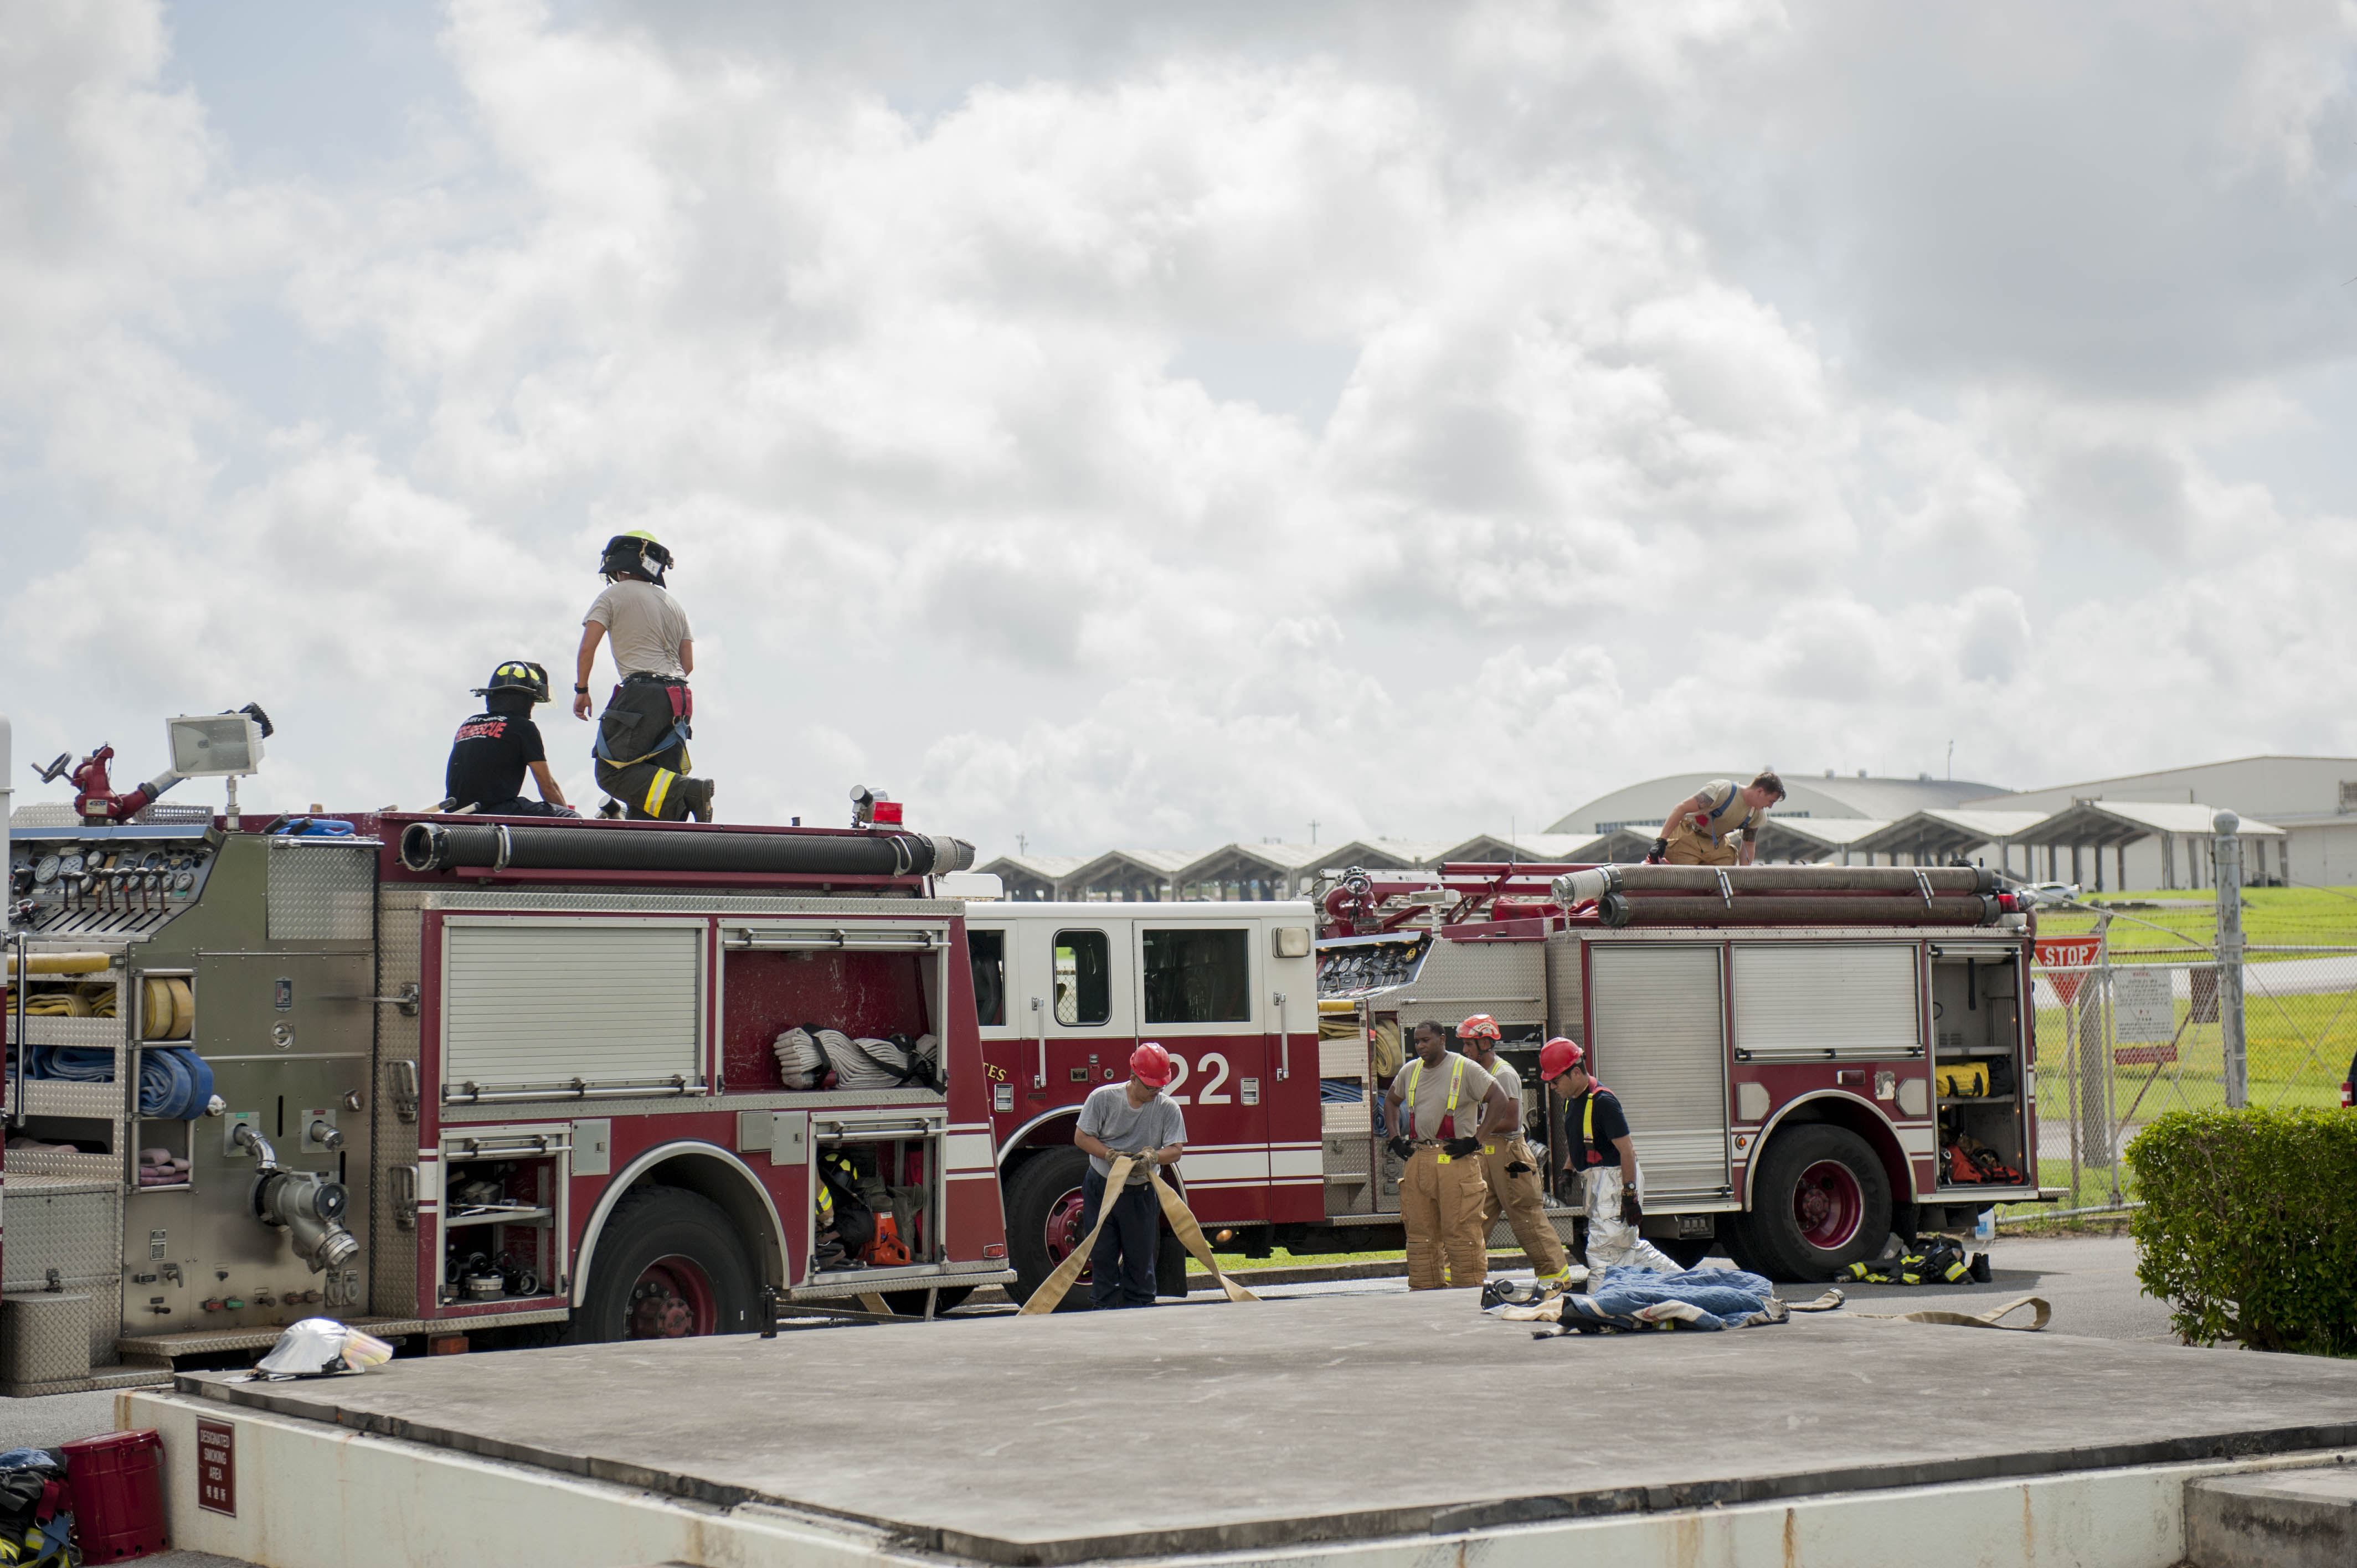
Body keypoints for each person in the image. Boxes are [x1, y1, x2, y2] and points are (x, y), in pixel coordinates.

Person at [572, 531, 715, 822]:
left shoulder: (612, 596)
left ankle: (689, 790)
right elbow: (687, 664)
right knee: (653, 795)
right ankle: (655, 853)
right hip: (680, 697)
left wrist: (582, 688)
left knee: (613, 772)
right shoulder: (674, 604)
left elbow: (588, 647)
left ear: (618, 567)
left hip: (642, 691)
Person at [1383, 1019, 1516, 1291]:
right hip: (1419, 1157)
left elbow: (1499, 1098)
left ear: (1442, 1040)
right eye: (1417, 1041)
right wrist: (1395, 1138)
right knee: (1420, 1235)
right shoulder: (1411, 1070)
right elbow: (1391, 1101)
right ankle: (1426, 1291)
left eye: (1426, 1041)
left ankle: (1467, 1295)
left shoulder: (1464, 1068)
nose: (1420, 1046)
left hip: (1455, 1159)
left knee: (1462, 1232)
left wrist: (1476, 1141)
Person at [1540, 1036, 1679, 1273]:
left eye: (1555, 1080)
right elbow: (1581, 1142)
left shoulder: (1604, 1102)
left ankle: (1600, 1304)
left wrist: (1630, 1195)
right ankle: (1685, 1283)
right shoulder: (1572, 1101)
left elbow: (1627, 1151)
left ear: (1575, 1073)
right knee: (1629, 1249)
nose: (1552, 1087)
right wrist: (1567, 1171)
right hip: (1599, 1183)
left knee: (1603, 1253)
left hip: (1615, 1182)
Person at [1453, 1016, 1572, 1285]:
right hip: (1490, 1154)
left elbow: (1510, 1119)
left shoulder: (1503, 1074)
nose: (1465, 1050)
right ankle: (1462, 1278)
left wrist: (1473, 1130)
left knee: (1527, 1220)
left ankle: (1556, 1279)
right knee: (1474, 1217)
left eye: (1469, 1044)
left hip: (1510, 1156)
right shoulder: (1481, 1073)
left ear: (1485, 1042)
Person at [1072, 1043, 1187, 1309]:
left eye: (1160, 1087)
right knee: (1102, 1254)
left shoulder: (1167, 1108)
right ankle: (1104, 1309)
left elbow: (1176, 1150)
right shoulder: (1103, 1099)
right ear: (1133, 1077)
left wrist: (1153, 1158)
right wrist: (1110, 1155)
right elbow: (1081, 1137)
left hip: (1141, 1192)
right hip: (1101, 1186)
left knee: (1139, 1258)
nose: (1156, 1092)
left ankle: (1141, 1309)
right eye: (1150, 1087)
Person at [439, 662, 578, 817]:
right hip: (496, 810)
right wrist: (568, 819)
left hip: (456, 812)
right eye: (532, 701)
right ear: (524, 701)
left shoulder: (469, 723)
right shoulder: (523, 727)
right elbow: (547, 785)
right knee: (571, 818)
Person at [1648, 771, 1786, 866]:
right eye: (1771, 801)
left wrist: (1745, 877)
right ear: (1760, 792)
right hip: (1689, 836)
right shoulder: (1723, 791)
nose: (1770, 807)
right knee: (1686, 879)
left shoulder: (1756, 814)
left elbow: (1748, 845)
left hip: (1716, 843)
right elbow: (1681, 808)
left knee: (1724, 877)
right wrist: (1661, 842)